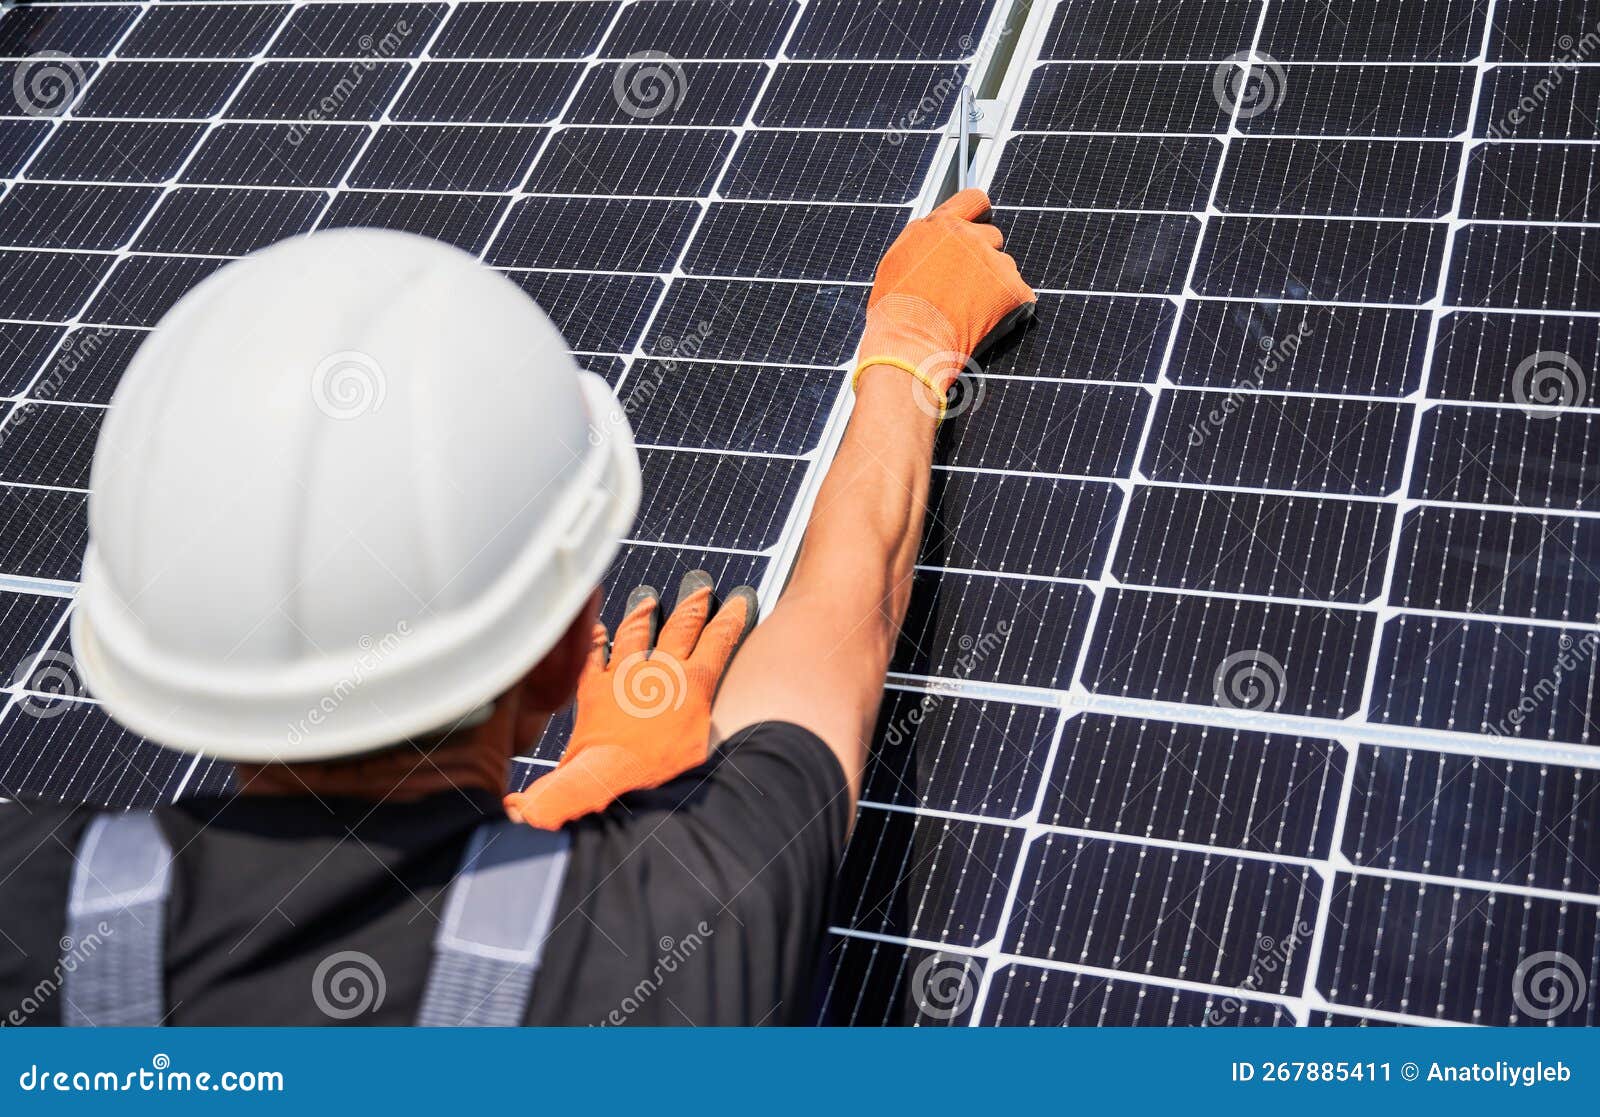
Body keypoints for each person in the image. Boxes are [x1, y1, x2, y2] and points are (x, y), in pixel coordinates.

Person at [0, 189, 1033, 1026]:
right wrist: (911, 339)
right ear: (555, 662)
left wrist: (568, 800)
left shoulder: (34, 909)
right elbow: (835, 644)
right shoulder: (681, 931)